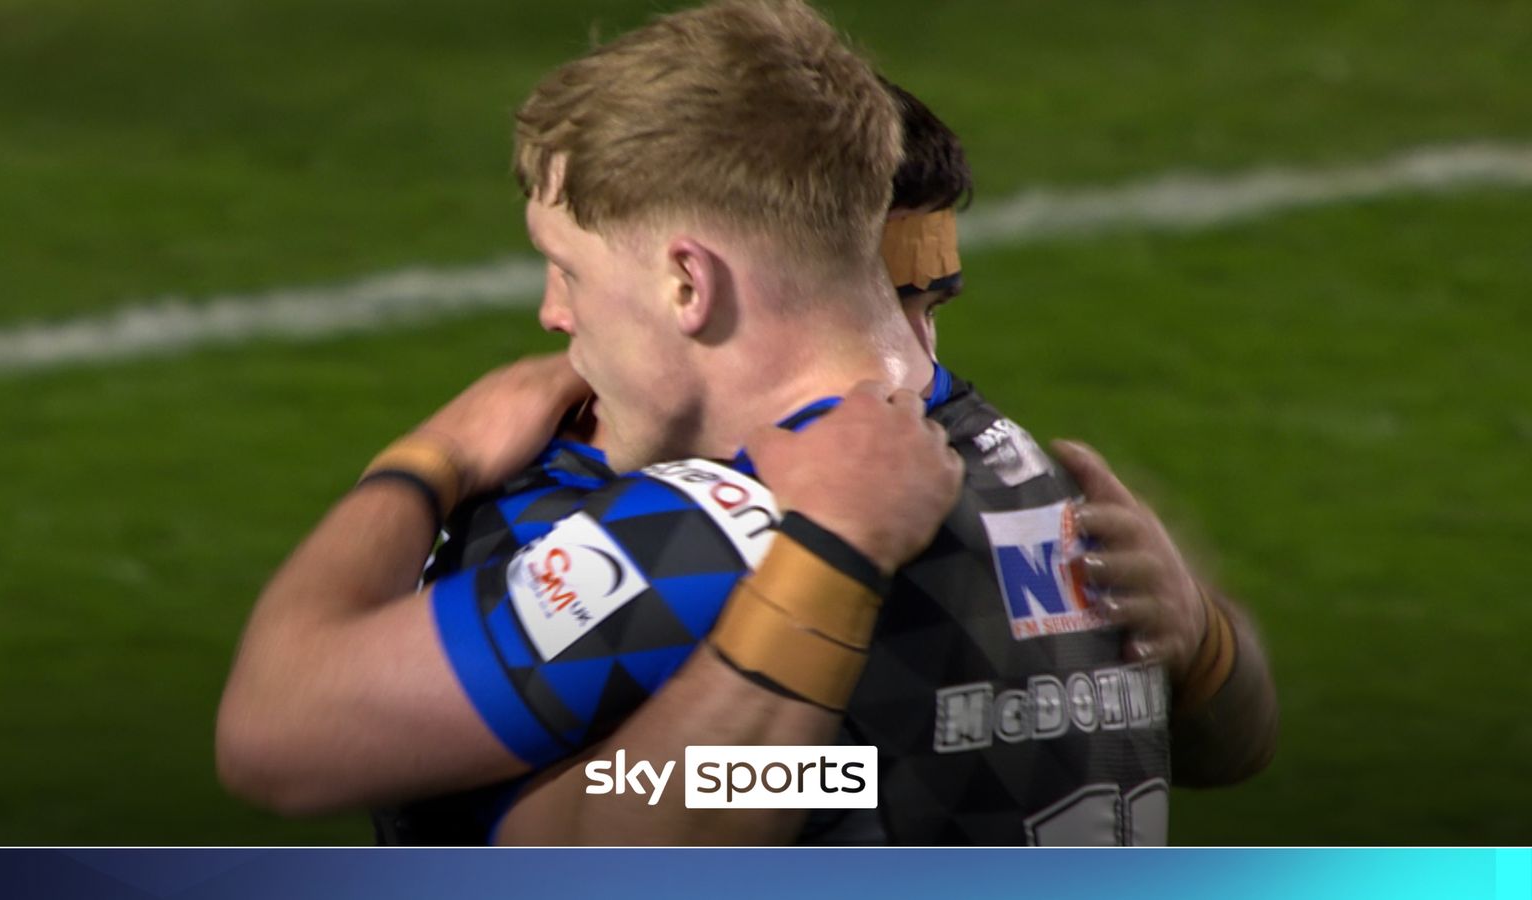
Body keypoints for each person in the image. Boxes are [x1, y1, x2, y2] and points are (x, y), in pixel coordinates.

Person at [219, 0, 1273, 845]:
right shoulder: (1041, 482)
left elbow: (275, 740)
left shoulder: (715, 531)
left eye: (569, 266)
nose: (553, 312)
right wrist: (1209, 650)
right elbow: (872, 768)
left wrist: (428, 461)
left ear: (687, 281)